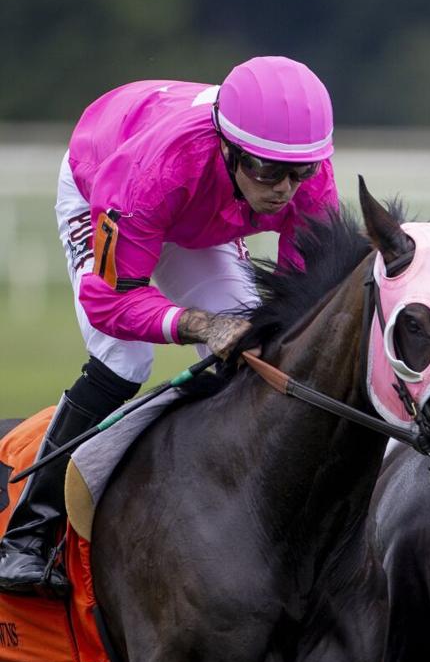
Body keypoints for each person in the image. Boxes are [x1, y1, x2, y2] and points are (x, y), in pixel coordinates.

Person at [0, 57, 338, 595]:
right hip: (108, 189)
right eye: (268, 173)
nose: (285, 191)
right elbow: (111, 303)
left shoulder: (306, 173)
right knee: (124, 360)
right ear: (228, 146)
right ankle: (28, 534)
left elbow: (302, 299)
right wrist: (198, 324)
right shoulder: (151, 170)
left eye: (298, 174)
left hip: (196, 210)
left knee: (257, 345)